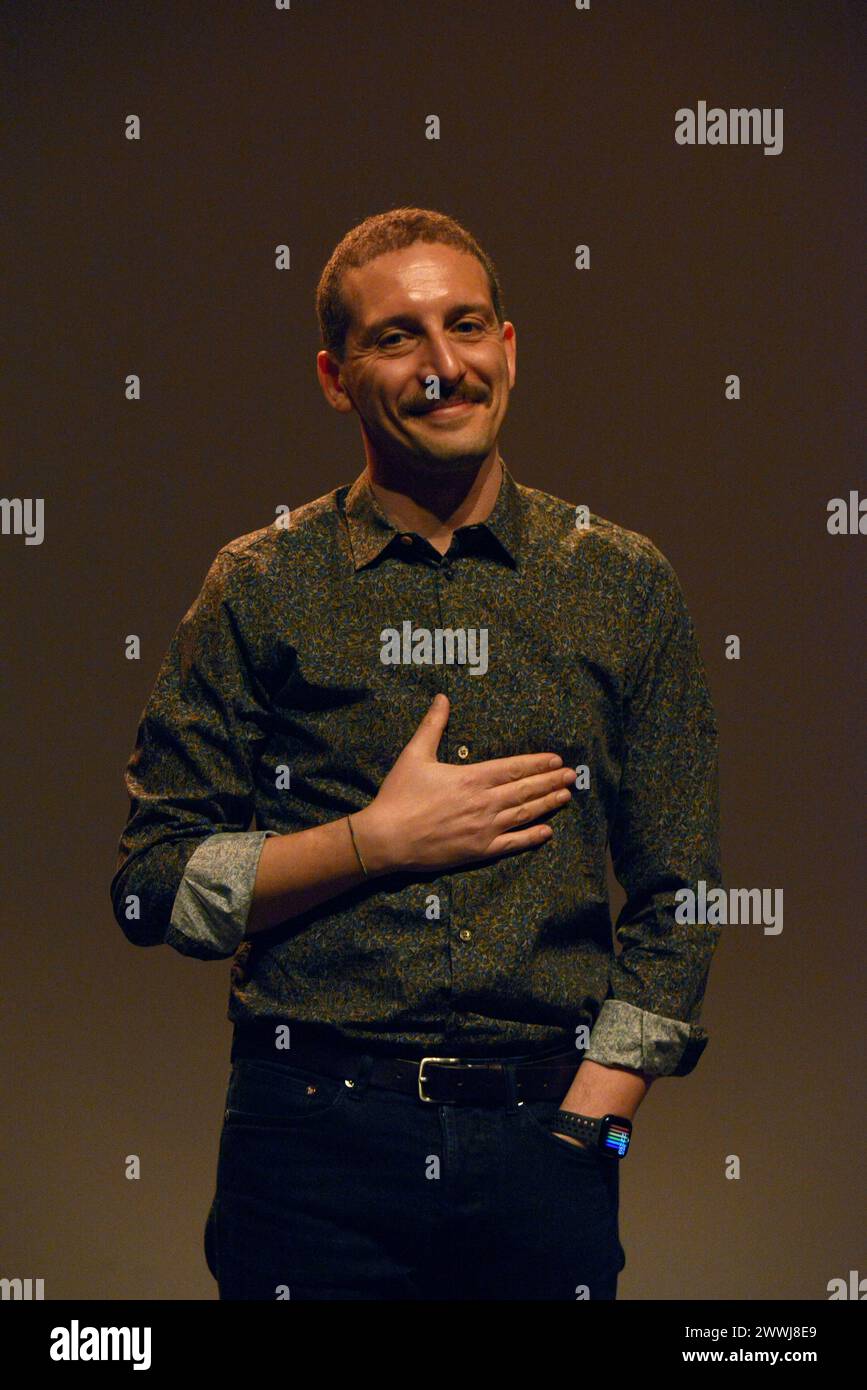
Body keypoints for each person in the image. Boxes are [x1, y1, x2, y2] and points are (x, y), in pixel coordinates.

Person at [110, 206, 722, 1301]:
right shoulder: (259, 585)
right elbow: (153, 889)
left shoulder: (624, 583)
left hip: (552, 1138)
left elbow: (685, 888)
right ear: (335, 377)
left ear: (510, 347)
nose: (444, 365)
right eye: (397, 337)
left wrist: (600, 1119)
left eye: (466, 326)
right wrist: (370, 842)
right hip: (308, 1146)